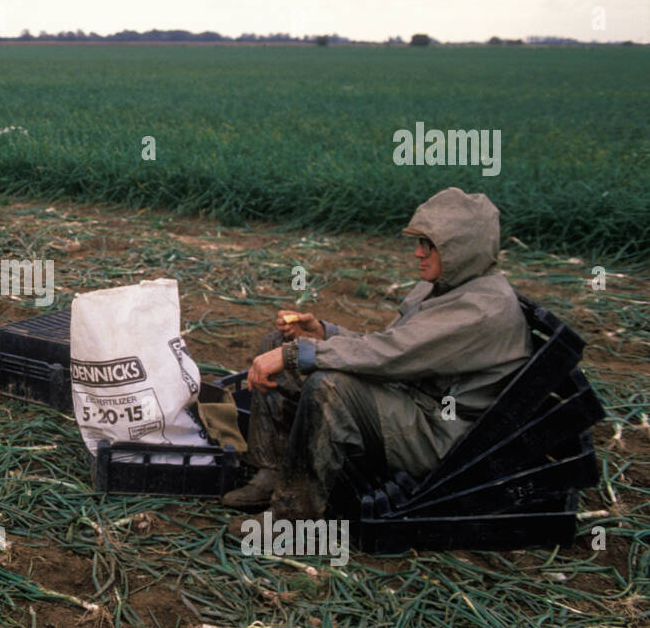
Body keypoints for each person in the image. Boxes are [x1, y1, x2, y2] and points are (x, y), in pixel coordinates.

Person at [223, 187, 533, 532]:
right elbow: (391, 346)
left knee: (330, 387)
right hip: (411, 401)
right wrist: (323, 334)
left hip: (438, 433)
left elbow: (391, 355)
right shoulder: (451, 287)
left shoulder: (480, 310)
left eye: (428, 245)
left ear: (459, 249)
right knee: (278, 342)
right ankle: (273, 472)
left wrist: (299, 354)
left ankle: (294, 520)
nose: (417, 253)